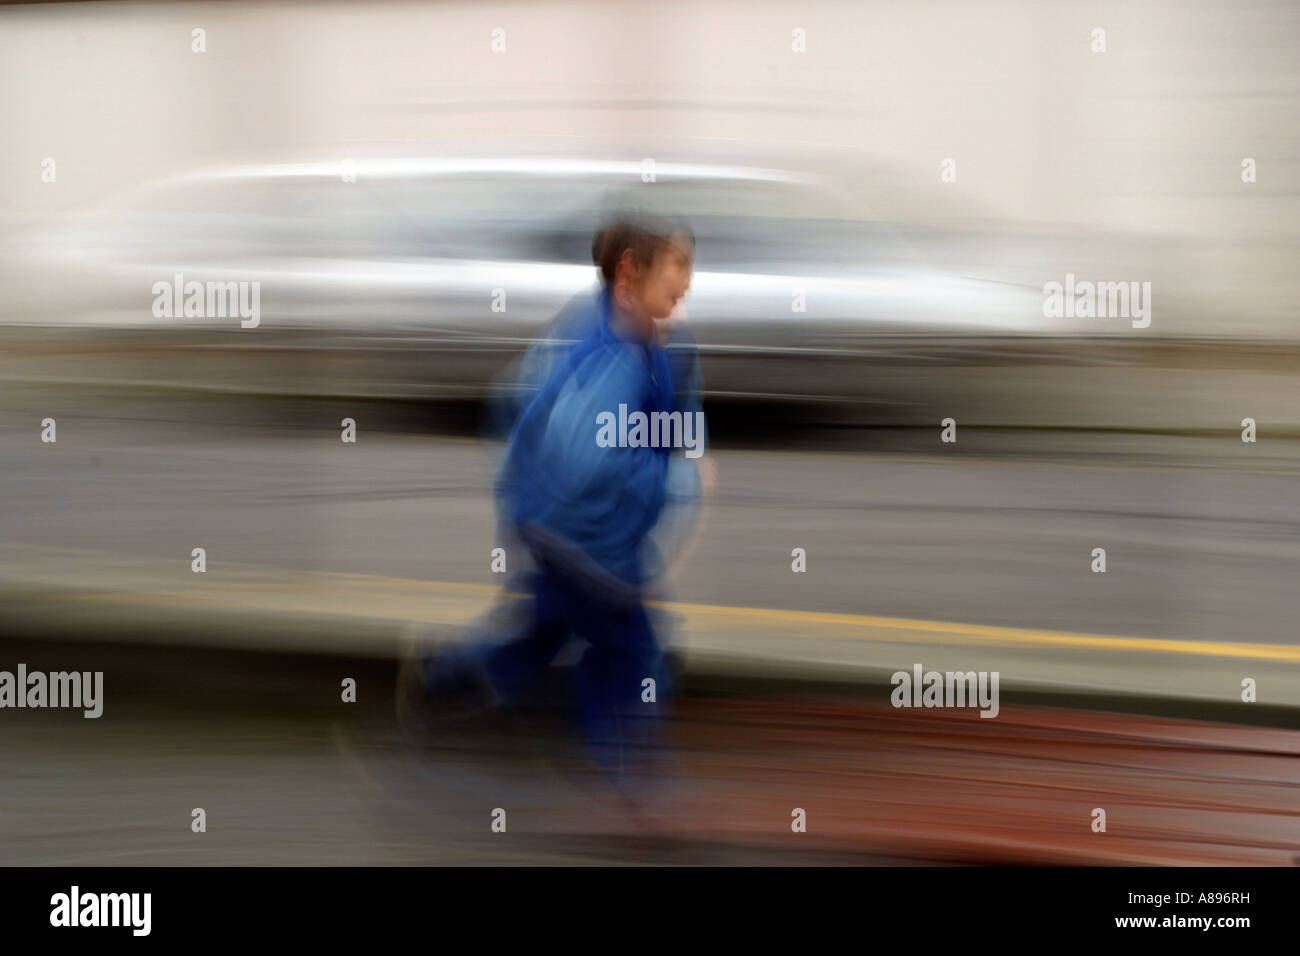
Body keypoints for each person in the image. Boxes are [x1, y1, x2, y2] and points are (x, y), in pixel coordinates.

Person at [401, 209, 707, 793]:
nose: (688, 281)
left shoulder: (605, 326)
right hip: (587, 543)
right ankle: (632, 781)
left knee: (538, 635)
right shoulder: (614, 362)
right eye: (678, 266)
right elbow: (595, 462)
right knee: (632, 654)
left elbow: (510, 401)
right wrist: (683, 484)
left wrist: (520, 496)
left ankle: (442, 677)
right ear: (629, 276)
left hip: (549, 527)